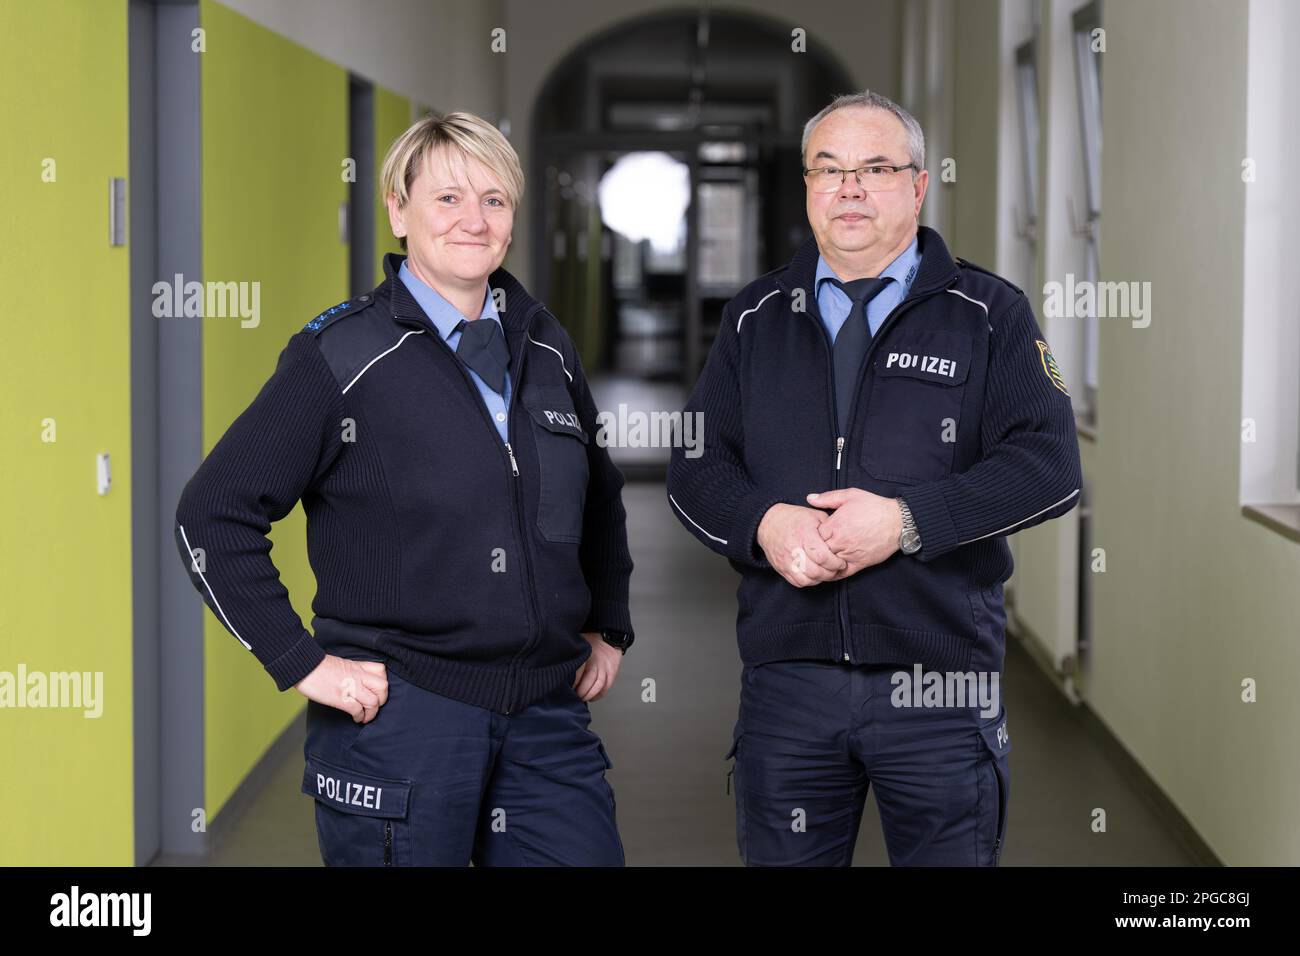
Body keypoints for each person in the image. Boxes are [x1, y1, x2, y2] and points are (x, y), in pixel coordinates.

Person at [174, 111, 634, 866]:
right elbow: (211, 517)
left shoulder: (544, 344)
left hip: (546, 714)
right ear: (398, 209)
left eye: (493, 199)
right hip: (404, 719)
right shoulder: (343, 355)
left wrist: (608, 621)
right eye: (447, 198)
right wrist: (301, 662)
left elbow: (599, 494)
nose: (473, 220)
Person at [666, 90, 1082, 866]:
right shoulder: (757, 316)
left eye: (876, 167)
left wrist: (907, 520)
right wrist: (764, 523)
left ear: (919, 185)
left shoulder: (988, 314)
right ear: (808, 188)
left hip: (941, 687)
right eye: (829, 169)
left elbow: (1048, 469)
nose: (850, 187)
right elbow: (696, 460)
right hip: (788, 683)